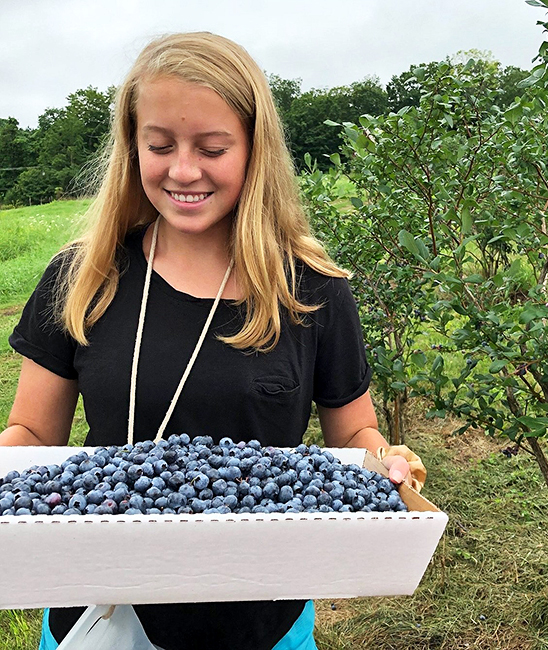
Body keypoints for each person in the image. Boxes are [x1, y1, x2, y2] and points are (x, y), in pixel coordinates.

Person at [0, 32, 426, 650]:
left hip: (261, 620)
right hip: (99, 613)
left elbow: (354, 435)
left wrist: (387, 462)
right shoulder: (83, 277)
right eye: (160, 145)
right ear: (132, 148)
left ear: (254, 150)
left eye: (212, 147)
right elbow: (33, 438)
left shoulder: (310, 291)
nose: (183, 170)